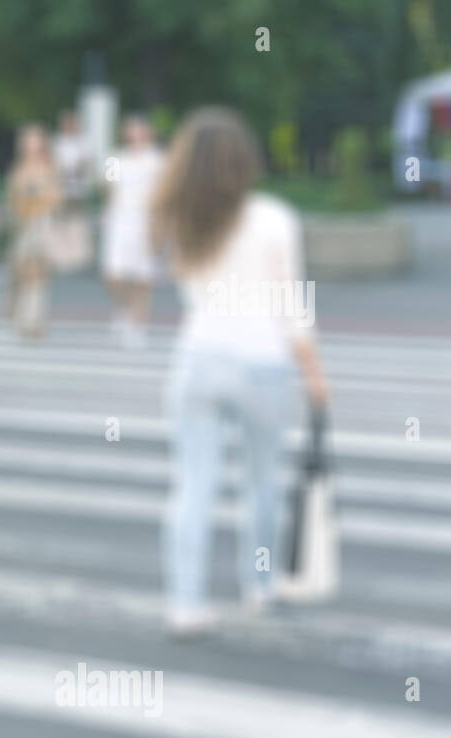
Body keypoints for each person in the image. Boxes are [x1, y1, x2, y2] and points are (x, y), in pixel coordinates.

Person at [150, 107, 331, 637]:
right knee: (262, 484)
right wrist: (315, 374)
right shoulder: (274, 217)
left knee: (193, 487)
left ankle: (185, 603)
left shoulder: (179, 220)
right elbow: (292, 306)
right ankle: (260, 586)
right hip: (264, 365)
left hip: (198, 359)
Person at [102, 114, 164, 349]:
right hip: (120, 220)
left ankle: (137, 326)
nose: (136, 135)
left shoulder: (157, 159)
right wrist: (109, 213)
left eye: (141, 130)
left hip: (146, 221)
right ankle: (122, 309)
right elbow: (108, 189)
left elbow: (163, 190)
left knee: (143, 277)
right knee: (115, 274)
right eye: (132, 131)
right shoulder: (115, 158)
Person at [5, 124, 61, 338]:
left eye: (36, 143)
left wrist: (37, 199)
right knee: (20, 272)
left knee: (37, 274)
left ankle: (34, 319)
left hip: (43, 223)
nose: (32, 148)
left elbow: (56, 198)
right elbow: (13, 198)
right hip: (22, 224)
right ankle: (20, 316)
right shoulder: (18, 169)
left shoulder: (50, 168)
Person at [51, 109, 94, 273]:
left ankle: (79, 256)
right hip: (60, 190)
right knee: (60, 223)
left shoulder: (84, 142)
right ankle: (61, 256)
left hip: (78, 190)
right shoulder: (57, 142)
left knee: (78, 223)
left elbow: (87, 163)